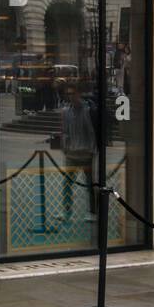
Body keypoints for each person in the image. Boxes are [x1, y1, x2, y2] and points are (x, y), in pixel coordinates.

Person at [60, 84, 99, 222]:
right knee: (67, 184)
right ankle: (67, 211)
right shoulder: (66, 111)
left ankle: (92, 211)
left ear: (79, 94)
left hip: (86, 153)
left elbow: (92, 131)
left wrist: (92, 150)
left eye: (73, 93)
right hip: (72, 153)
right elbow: (65, 131)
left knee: (89, 184)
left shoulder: (88, 110)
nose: (71, 96)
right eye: (68, 93)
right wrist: (65, 147)